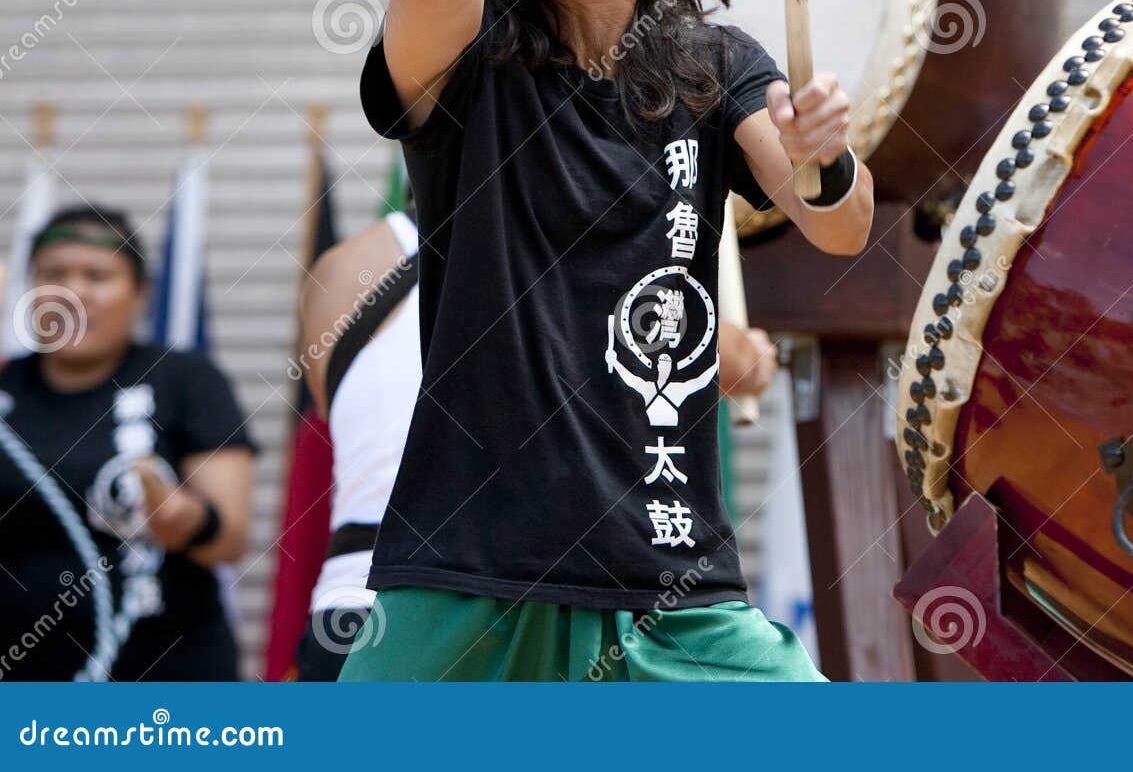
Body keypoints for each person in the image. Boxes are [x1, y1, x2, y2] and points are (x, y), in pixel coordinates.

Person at [340, 0, 872, 682]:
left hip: (667, 581)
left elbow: (832, 223)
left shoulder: (713, 66)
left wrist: (825, 155)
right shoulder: (468, 61)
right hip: (467, 571)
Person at [291, 197, 782, 680]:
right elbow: (730, 361)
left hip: (348, 617)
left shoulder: (337, 272)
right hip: (479, 619)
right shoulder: (575, 250)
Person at [0, 204, 254, 681]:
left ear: (141, 293)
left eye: (97, 276)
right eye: (53, 274)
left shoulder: (185, 380)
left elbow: (230, 539)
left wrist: (186, 519)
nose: (74, 293)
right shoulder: (6, 385)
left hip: (166, 686)